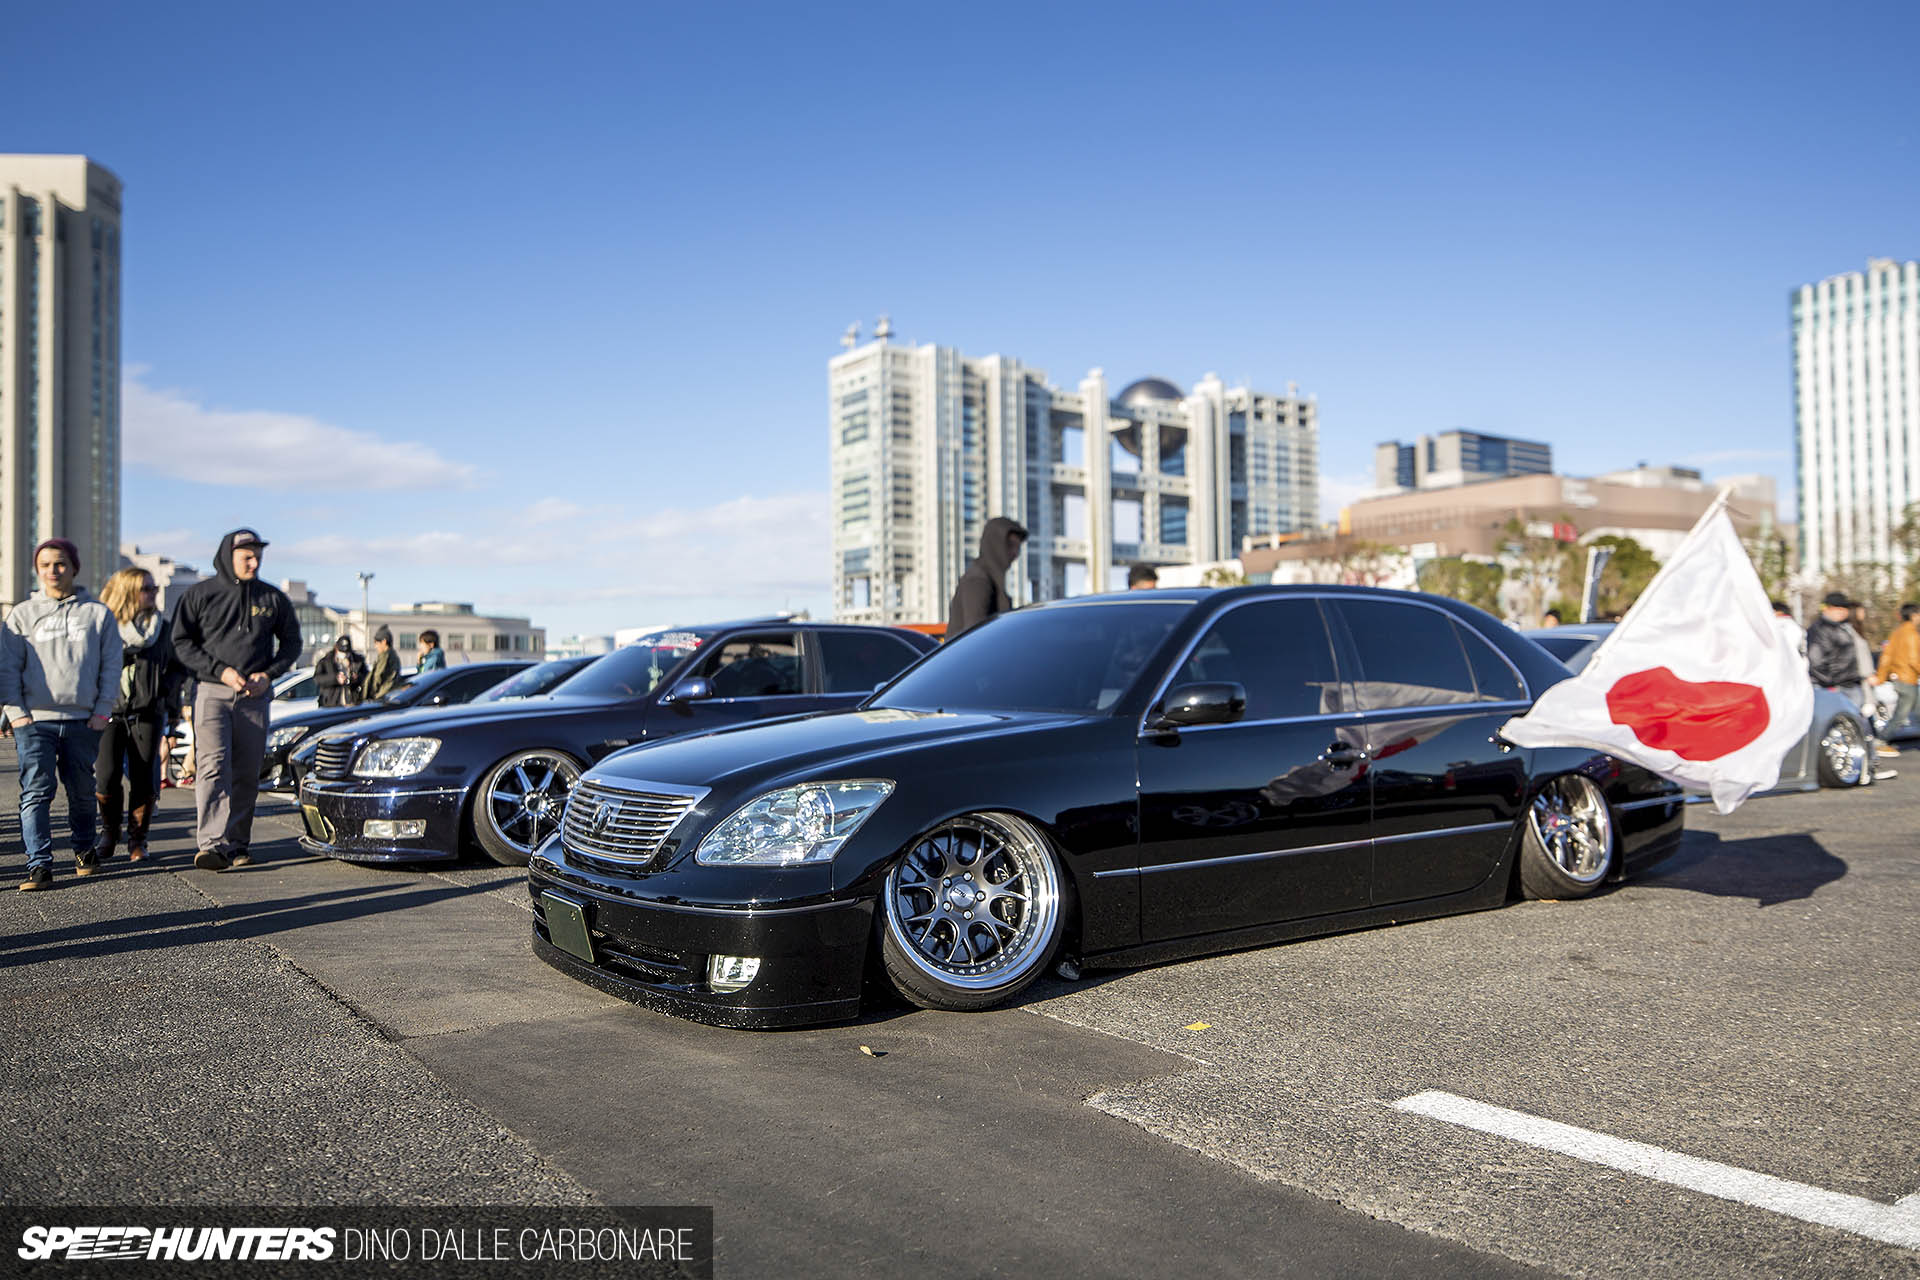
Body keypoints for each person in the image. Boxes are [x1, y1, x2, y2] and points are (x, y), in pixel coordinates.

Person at [171, 529, 302, 872]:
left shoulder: (272, 598)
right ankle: (211, 845)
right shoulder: (200, 595)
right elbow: (181, 642)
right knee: (213, 766)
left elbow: (292, 644)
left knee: (246, 770)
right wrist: (220, 671)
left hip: (254, 696)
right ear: (228, 556)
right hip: (211, 691)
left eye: (258, 556)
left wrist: (268, 674)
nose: (254, 563)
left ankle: (238, 843)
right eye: (247, 557)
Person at [0, 538, 120, 890]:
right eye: (46, 565)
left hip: (84, 720)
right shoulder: (22, 614)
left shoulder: (97, 614)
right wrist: (16, 713)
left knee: (82, 791)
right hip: (34, 721)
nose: (53, 570)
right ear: (37, 570)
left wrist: (102, 711)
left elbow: (111, 666)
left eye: (61, 563)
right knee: (36, 792)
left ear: (74, 567)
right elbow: (8, 668)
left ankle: (84, 850)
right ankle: (39, 864)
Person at [94, 567, 179, 865]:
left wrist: (167, 700)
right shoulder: (104, 626)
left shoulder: (162, 629)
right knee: (106, 776)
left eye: (155, 588)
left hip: (148, 712)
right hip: (109, 711)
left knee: (144, 777)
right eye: (147, 588)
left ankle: (138, 839)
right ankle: (109, 832)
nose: (153, 593)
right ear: (127, 591)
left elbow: (177, 668)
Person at [945, 517, 1028, 640]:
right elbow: (975, 636)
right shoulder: (978, 581)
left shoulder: (991, 578)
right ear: (995, 544)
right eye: (1010, 546)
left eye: (1018, 547)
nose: (1015, 553)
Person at [1845, 603, 1899, 759]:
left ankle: (1871, 753)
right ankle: (1871, 751)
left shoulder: (1855, 631)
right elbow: (1858, 657)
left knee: (1866, 716)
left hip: (1862, 680)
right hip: (1859, 681)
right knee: (1862, 716)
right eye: (1861, 611)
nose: (1864, 614)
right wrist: (1869, 674)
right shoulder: (1850, 632)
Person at [1876, 602, 1920, 739]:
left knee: (1916, 711)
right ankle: (1882, 739)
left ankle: (1882, 739)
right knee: (1901, 714)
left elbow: (1886, 656)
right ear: (1913, 615)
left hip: (1899, 678)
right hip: (1908, 679)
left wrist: (1881, 676)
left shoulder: (1896, 633)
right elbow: (1914, 660)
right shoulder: (1912, 634)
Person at [315, 634, 368, 707]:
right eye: (342, 653)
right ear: (336, 648)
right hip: (331, 703)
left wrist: (357, 678)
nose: (344, 655)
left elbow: (367, 677)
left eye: (347, 653)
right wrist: (336, 679)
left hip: (353, 702)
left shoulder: (357, 660)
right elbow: (318, 678)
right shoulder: (326, 661)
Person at [365, 625, 400, 701]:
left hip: (381, 696)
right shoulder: (393, 655)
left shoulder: (385, 656)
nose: (375, 647)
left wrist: (372, 693)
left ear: (384, 641)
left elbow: (378, 676)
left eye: (376, 643)